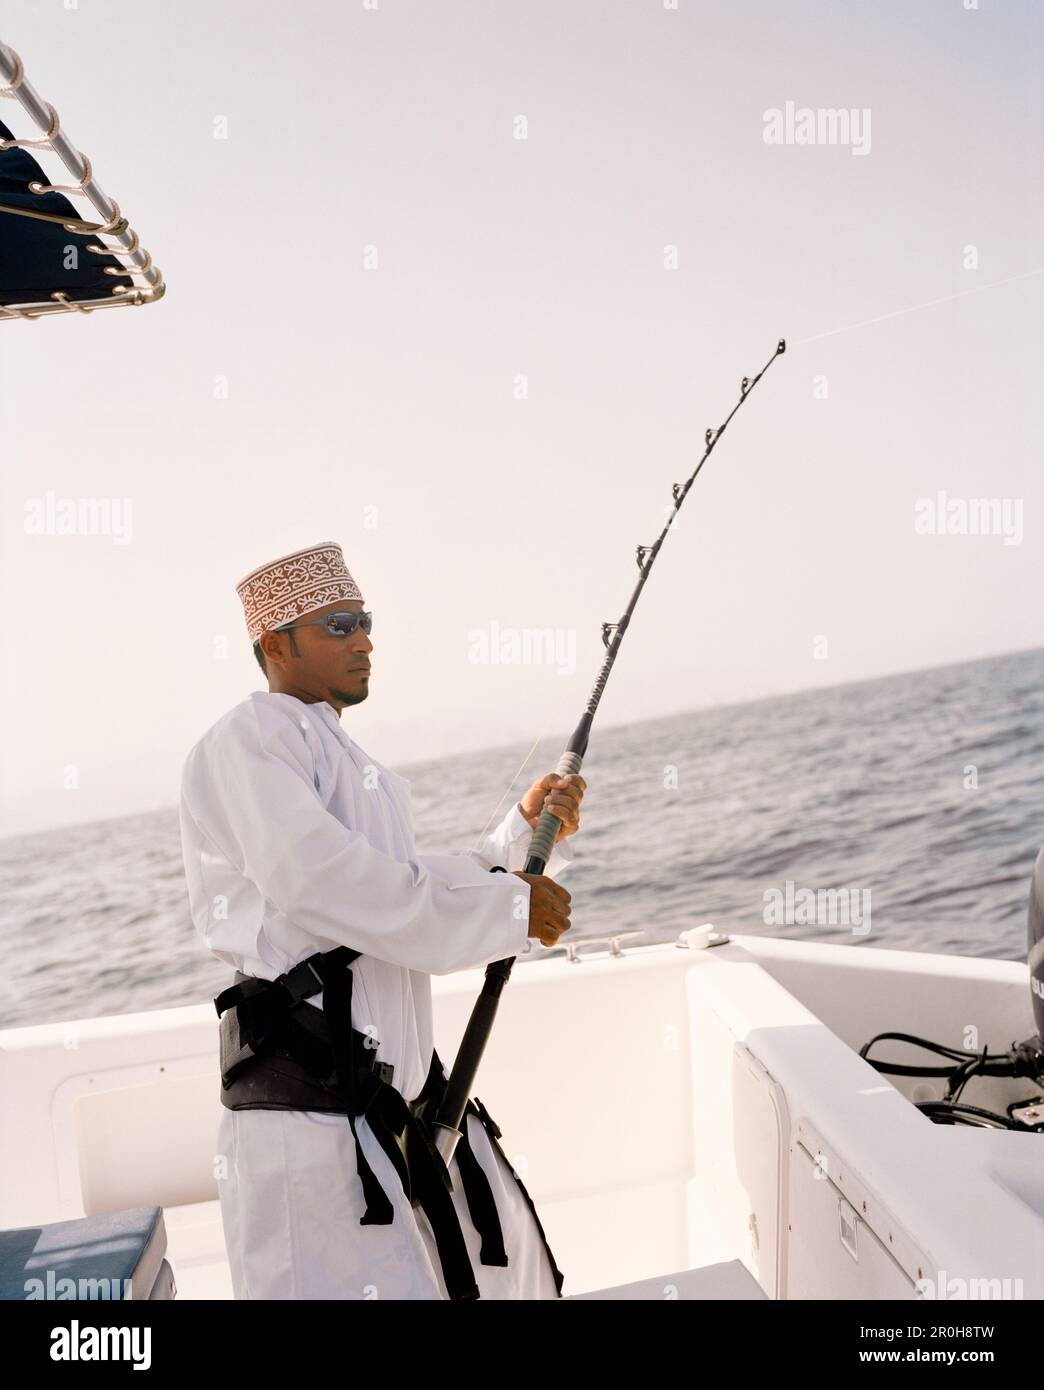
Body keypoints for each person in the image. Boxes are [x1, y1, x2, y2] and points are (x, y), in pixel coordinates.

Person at [178, 541, 584, 1300]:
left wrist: (518, 841)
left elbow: (401, 883)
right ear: (274, 645)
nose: (363, 639)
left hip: (380, 1115)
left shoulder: (335, 751)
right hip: (310, 1129)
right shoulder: (251, 738)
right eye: (336, 625)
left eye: (364, 621)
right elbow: (329, 884)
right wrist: (506, 910)